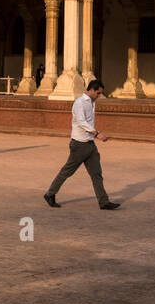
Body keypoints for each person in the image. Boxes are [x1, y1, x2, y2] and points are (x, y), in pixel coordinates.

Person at [43, 79, 120, 210]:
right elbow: (81, 122)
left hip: (90, 144)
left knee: (96, 174)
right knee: (67, 171)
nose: (99, 96)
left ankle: (104, 202)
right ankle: (50, 194)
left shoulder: (92, 102)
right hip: (79, 144)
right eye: (98, 93)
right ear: (92, 90)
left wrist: (94, 136)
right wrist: (97, 134)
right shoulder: (79, 103)